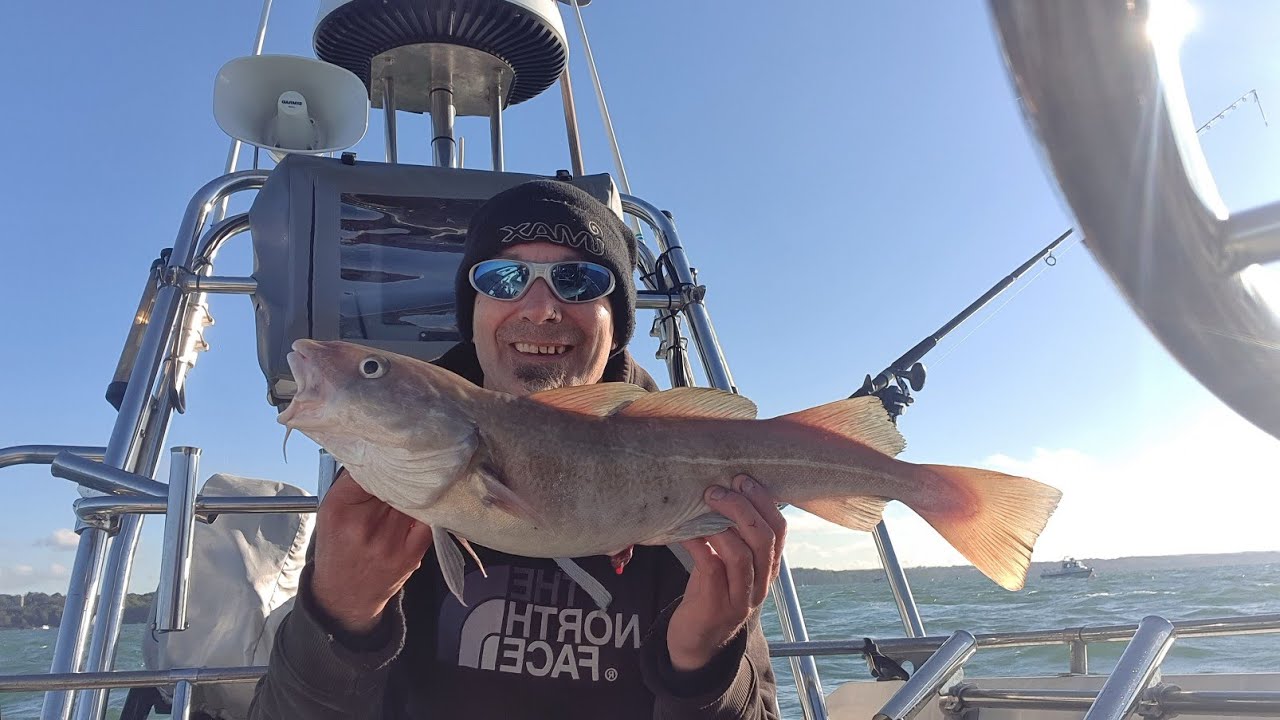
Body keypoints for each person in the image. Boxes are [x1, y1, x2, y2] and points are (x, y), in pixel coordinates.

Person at [249, 180, 785, 719]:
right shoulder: (383, 477)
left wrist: (704, 664)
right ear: (474, 309)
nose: (541, 307)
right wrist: (339, 618)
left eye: (578, 280)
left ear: (616, 320)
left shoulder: (699, 476)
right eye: (504, 278)